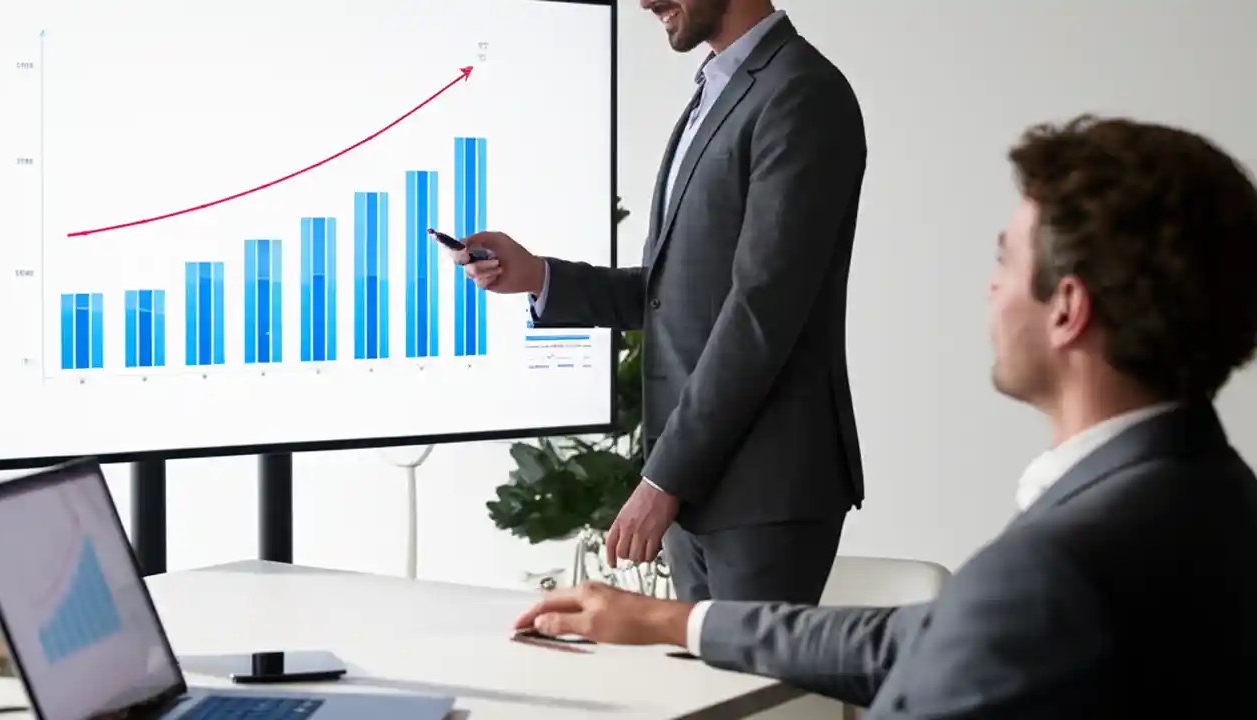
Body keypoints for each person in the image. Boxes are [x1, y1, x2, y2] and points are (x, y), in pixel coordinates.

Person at [512, 115, 1257, 717]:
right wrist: (675, 623)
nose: (991, 291)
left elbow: (955, 642)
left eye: (1005, 261)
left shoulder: (1051, 573)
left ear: (1067, 310)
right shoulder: (1214, 494)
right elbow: (919, 641)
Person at [453, 0, 867, 604]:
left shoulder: (801, 93)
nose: (644, 1)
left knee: (739, 697)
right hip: (700, 493)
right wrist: (539, 276)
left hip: (765, 490)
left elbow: (761, 313)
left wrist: (662, 478)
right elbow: (673, 293)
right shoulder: (716, 92)